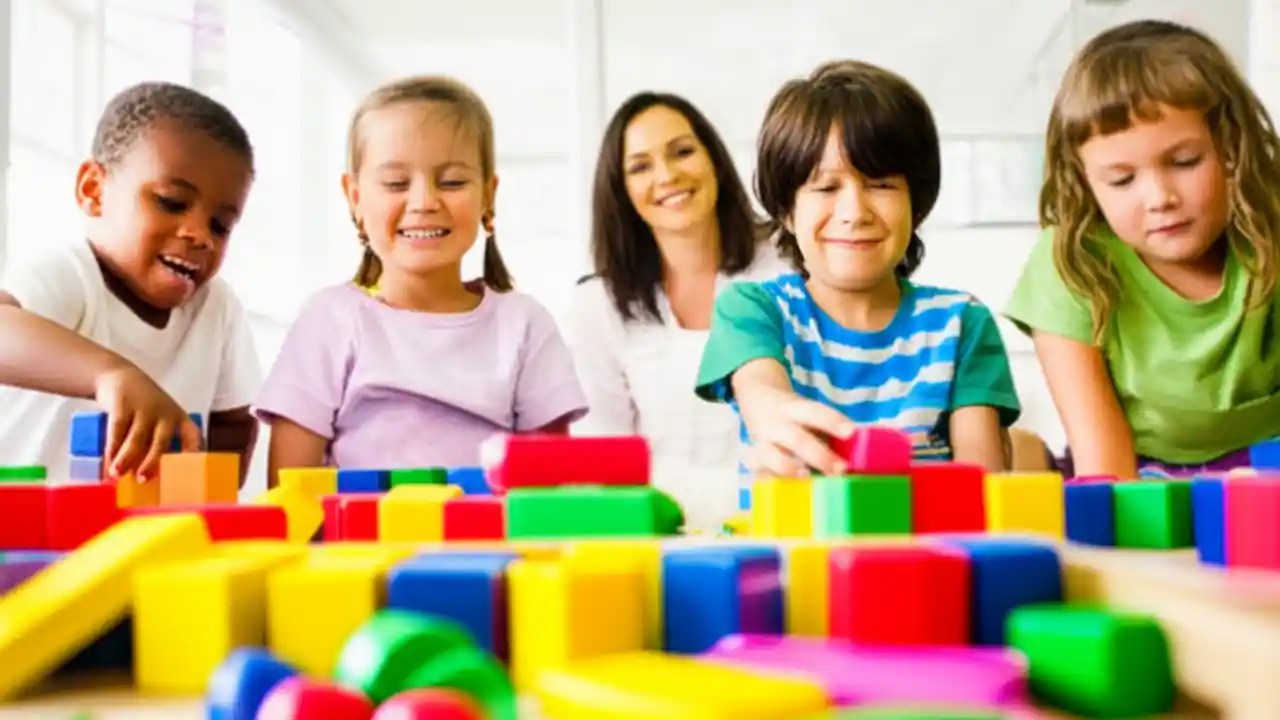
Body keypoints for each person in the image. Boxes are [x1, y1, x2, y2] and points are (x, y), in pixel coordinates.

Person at [695, 60, 1021, 487]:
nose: (854, 213)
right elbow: (761, 392)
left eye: (881, 184)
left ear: (915, 203)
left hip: (920, 549)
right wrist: (772, 414)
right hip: (790, 549)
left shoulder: (961, 323)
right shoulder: (752, 310)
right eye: (826, 188)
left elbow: (981, 485)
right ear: (787, 212)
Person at [254, 75, 587, 487]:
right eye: (395, 183)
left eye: (452, 182)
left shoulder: (524, 324)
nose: (424, 202)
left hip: (492, 548)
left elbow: (549, 490)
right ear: (355, 197)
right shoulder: (330, 320)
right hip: (358, 551)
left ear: (488, 194)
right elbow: (291, 493)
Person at [1004, 20, 1280, 479]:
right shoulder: (1072, 258)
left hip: (1263, 466)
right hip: (1138, 468)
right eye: (1122, 179)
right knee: (1014, 454)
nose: (1160, 198)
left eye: (1185, 162)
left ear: (1234, 147)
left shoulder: (1268, 225)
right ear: (1085, 184)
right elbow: (1103, 462)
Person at [0, 81, 260, 484]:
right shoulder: (71, 276)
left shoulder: (217, 307)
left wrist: (206, 502)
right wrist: (110, 374)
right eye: (172, 203)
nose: (200, 234)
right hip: (22, 537)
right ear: (94, 190)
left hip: (136, 537)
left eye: (221, 225)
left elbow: (233, 424)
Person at [565, 91, 788, 529]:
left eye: (682, 152)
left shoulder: (784, 264)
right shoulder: (599, 304)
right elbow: (602, 456)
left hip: (776, 523)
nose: (667, 175)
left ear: (714, 162)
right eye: (640, 166)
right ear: (621, 190)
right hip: (654, 537)